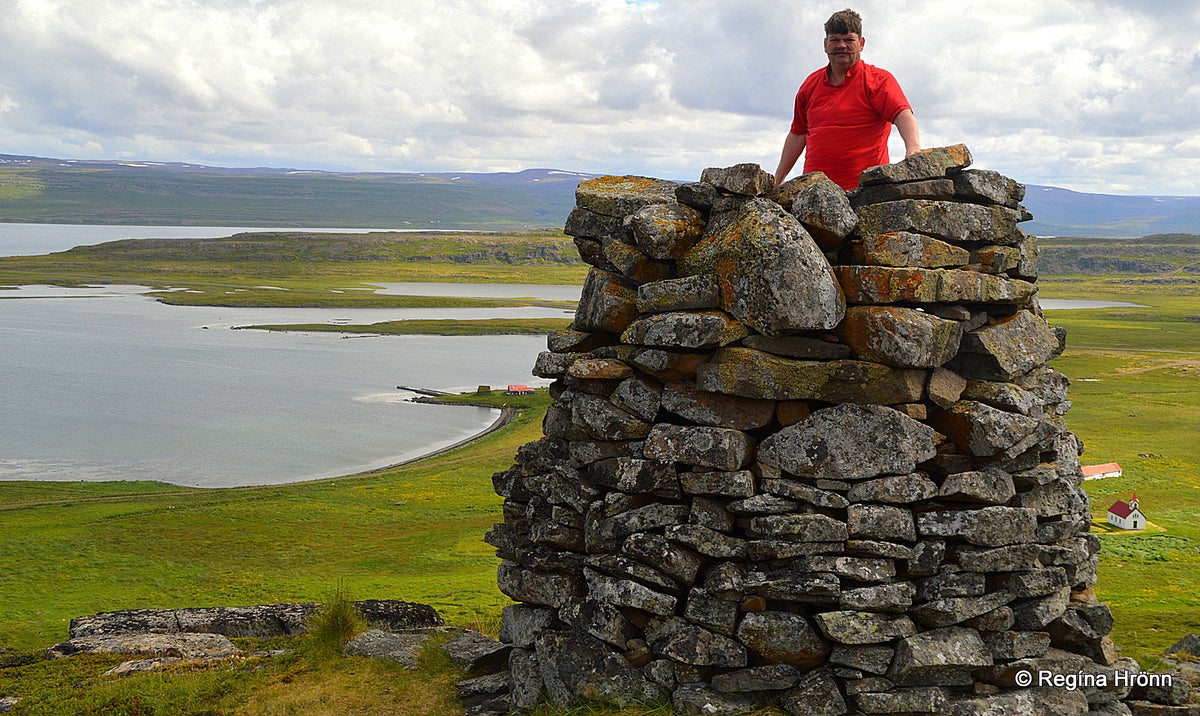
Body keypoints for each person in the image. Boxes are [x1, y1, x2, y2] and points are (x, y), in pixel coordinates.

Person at [772, 8, 922, 191]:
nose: (841, 45)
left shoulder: (878, 80)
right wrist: (777, 181)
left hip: (865, 192)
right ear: (825, 44)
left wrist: (913, 148)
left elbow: (902, 113)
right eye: (835, 40)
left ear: (861, 43)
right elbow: (797, 134)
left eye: (849, 40)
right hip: (815, 193)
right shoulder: (810, 85)